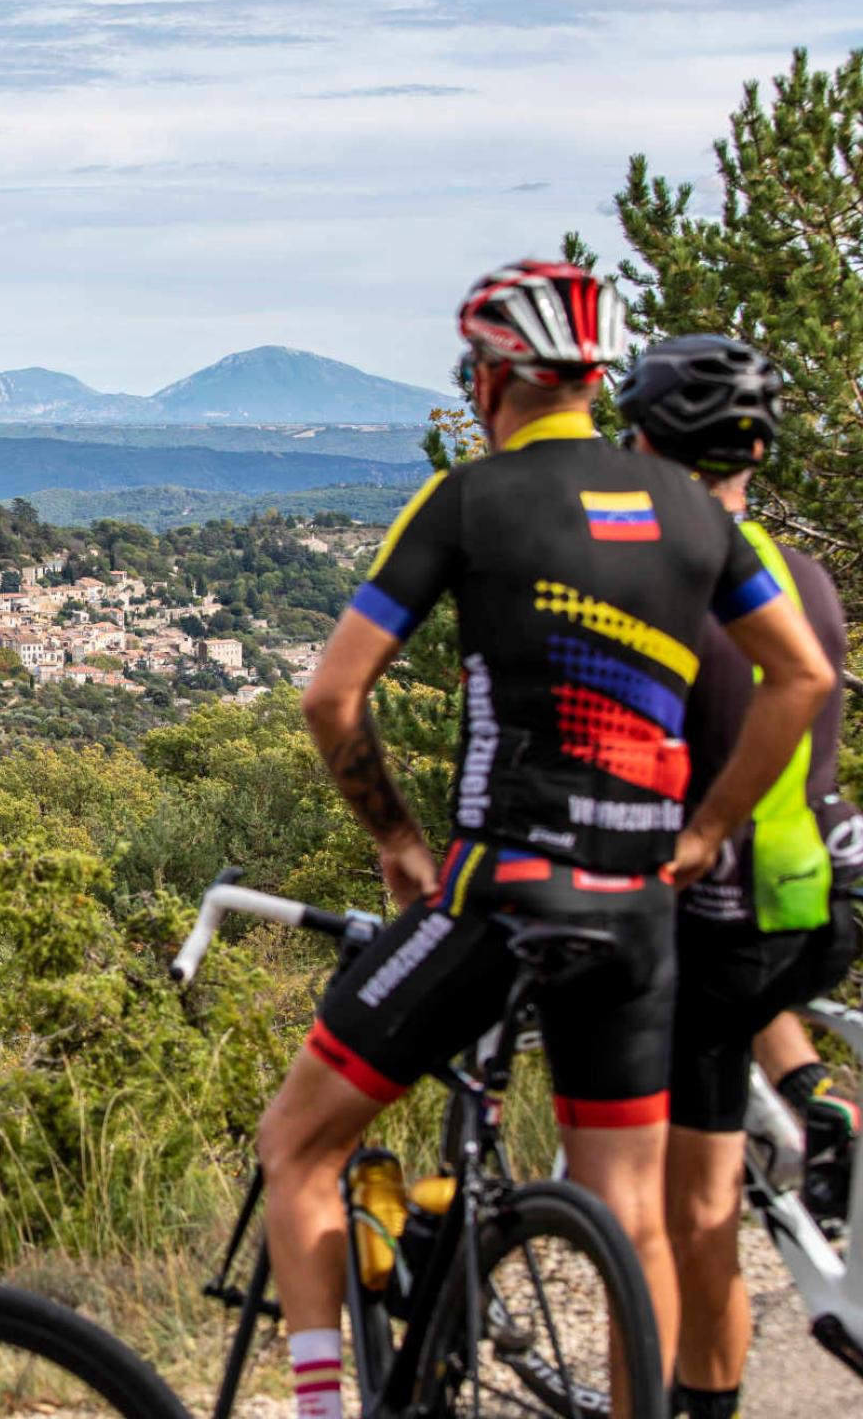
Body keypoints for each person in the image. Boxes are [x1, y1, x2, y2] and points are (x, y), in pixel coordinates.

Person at [257, 261, 836, 1419]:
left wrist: (400, 842)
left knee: (299, 1145)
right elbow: (803, 673)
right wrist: (710, 826)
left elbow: (332, 697)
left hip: (502, 889)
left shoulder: (471, 498)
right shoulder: (688, 508)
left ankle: (321, 1407)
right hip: (640, 908)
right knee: (635, 1218)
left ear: (497, 376)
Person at [617, 335, 861, 1419]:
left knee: (691, 1214)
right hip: (816, 897)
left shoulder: (668, 586)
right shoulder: (796, 577)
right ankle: (813, 1099)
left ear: (641, 444)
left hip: (726, 918)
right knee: (743, 987)